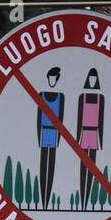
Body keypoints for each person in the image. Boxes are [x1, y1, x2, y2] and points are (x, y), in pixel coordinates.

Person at [76, 69, 105, 208]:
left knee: (92, 167)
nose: (92, 81)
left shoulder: (101, 98)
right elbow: (78, 120)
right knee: (83, 167)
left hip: (94, 135)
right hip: (84, 134)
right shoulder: (82, 97)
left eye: (95, 79)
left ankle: (87, 198)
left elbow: (101, 122)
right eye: (91, 78)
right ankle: (82, 197)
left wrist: (101, 141)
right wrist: (76, 140)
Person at [37, 66, 65, 209]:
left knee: (51, 164)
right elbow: (38, 118)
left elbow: (60, 118)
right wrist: (38, 136)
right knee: (43, 164)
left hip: (54, 133)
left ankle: (48, 198)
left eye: (54, 78)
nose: (52, 81)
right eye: (50, 78)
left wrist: (59, 138)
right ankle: (43, 200)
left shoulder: (61, 97)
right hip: (44, 132)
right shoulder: (41, 95)